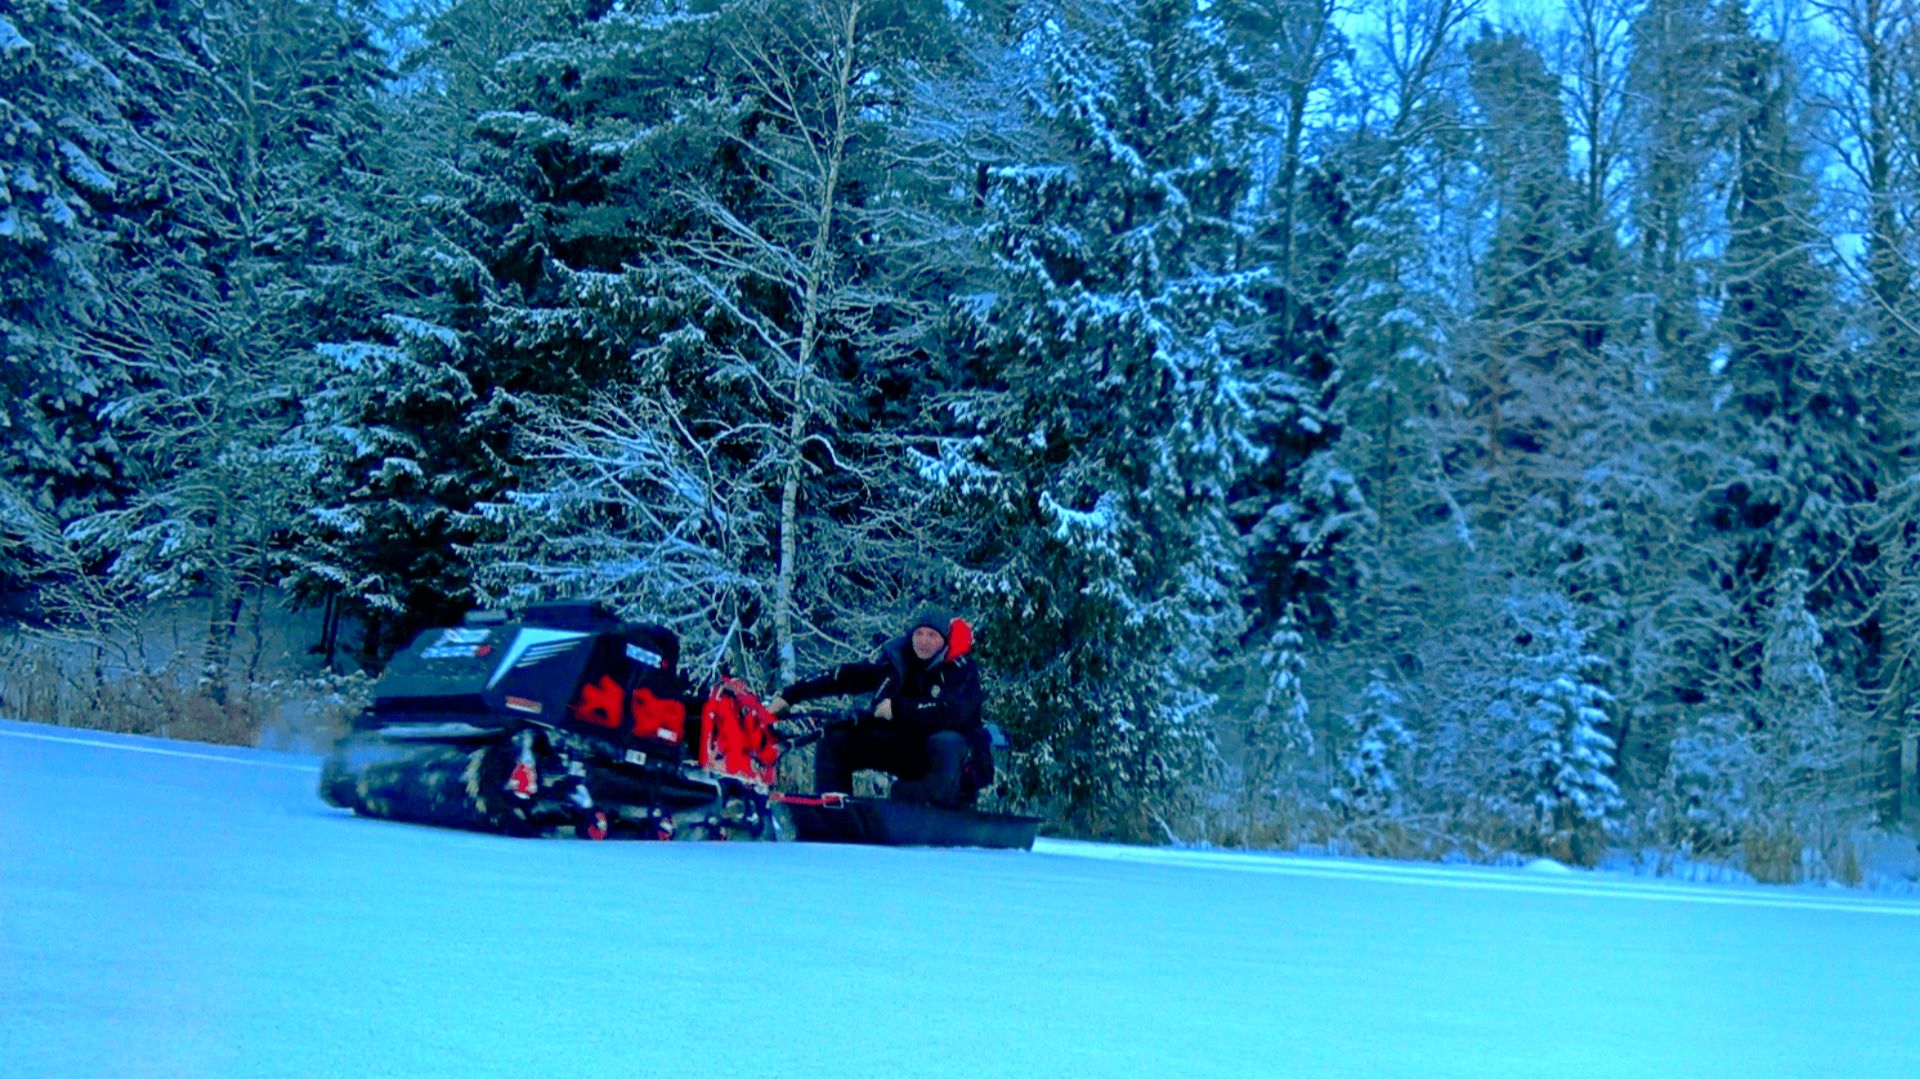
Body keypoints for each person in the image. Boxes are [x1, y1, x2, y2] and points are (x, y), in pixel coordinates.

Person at [767, 605, 986, 807]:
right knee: (836, 739)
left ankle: (926, 804)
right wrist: (790, 696)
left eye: (932, 635)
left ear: (945, 640)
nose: (924, 641)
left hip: (952, 758)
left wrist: (898, 709)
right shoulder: (896, 664)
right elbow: (844, 676)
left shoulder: (961, 670)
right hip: (906, 746)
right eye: (919, 633)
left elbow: (951, 709)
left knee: (946, 743)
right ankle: (835, 809)